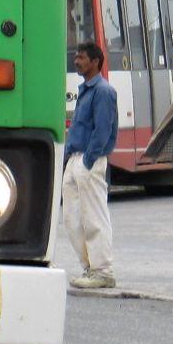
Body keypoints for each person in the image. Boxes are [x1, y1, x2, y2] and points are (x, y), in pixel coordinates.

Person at [63, 42, 118, 289]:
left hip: (89, 160)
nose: (76, 61)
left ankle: (102, 270)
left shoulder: (103, 91)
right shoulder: (86, 89)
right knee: (72, 218)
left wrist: (88, 159)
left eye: (82, 57)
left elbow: (103, 130)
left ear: (95, 61)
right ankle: (89, 268)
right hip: (75, 159)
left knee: (94, 217)